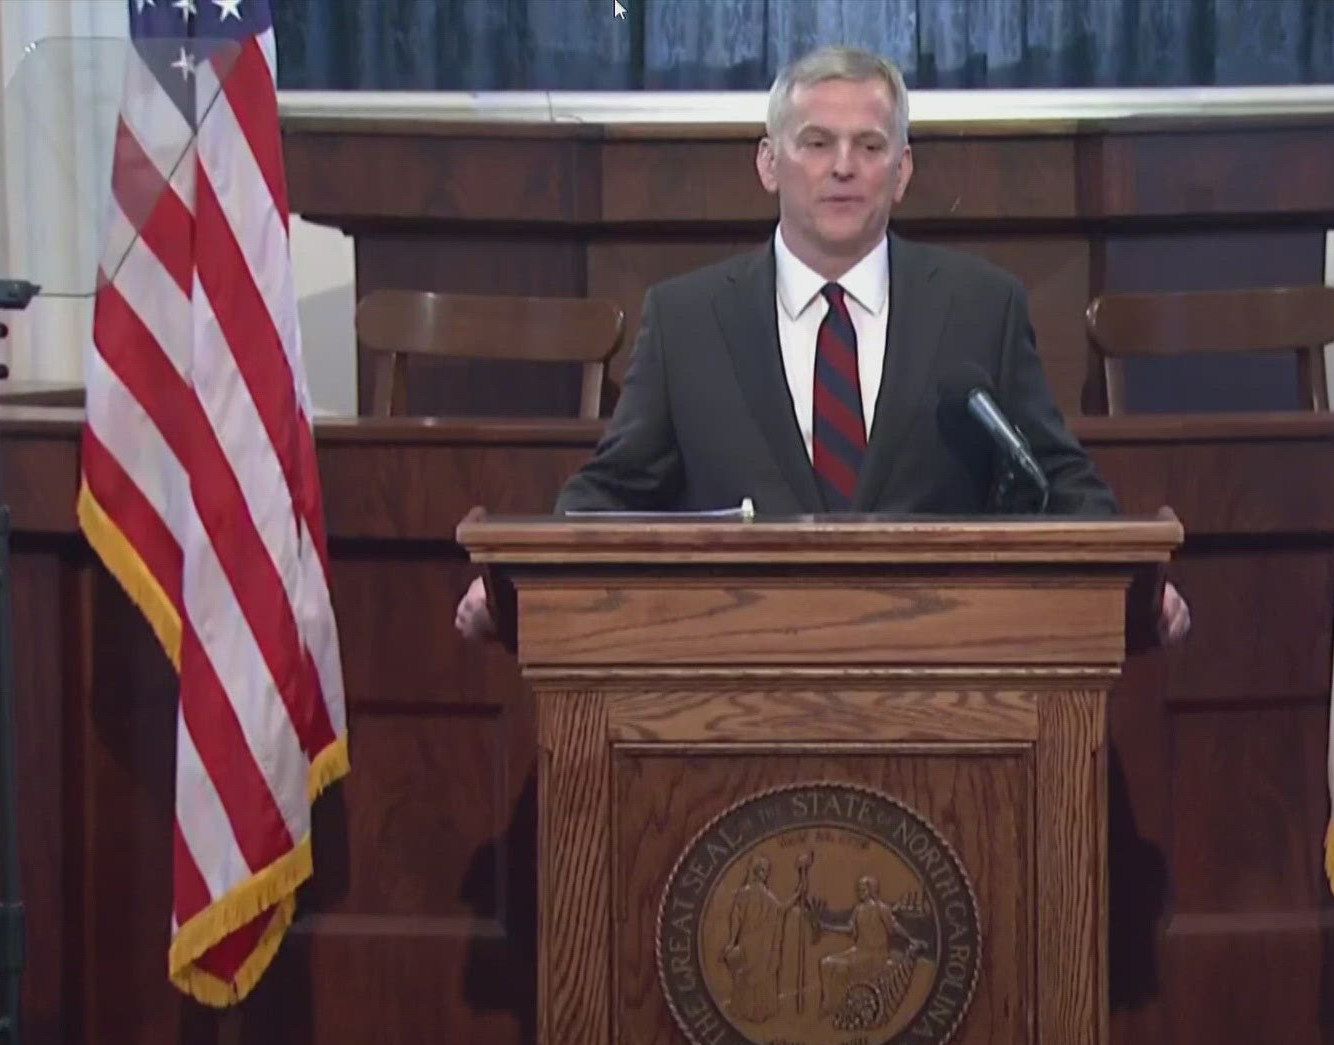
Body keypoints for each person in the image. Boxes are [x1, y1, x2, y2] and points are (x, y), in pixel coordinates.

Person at [456, 45, 1188, 643]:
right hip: (732, 674)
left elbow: (1059, 483)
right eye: (817, 143)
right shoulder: (687, 319)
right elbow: (608, 496)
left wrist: (1137, 592)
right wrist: (519, 591)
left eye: (869, 145)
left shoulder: (978, 306)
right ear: (769, 162)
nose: (843, 166)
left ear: (900, 172)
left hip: (941, 672)